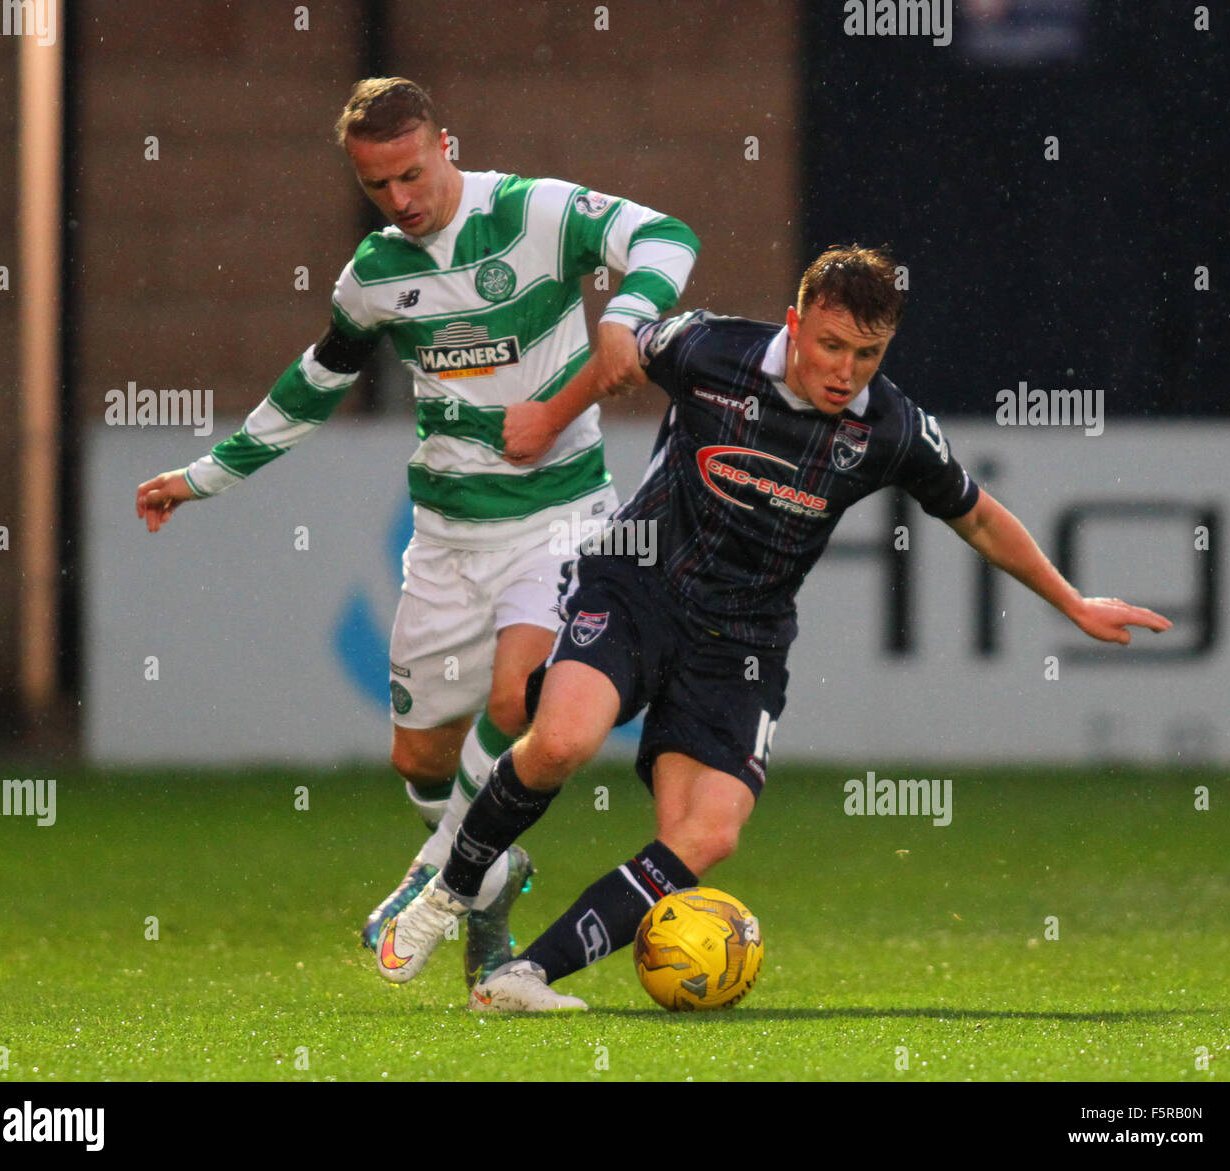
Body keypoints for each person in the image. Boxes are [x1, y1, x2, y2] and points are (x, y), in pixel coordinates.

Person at [375, 243, 1173, 1011]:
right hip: (638, 583)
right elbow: (621, 351)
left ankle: (518, 976)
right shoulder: (710, 349)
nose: (846, 371)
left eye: (868, 354)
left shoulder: (890, 428)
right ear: (794, 324)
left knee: (709, 833)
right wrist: (551, 414)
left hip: (744, 639)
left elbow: (979, 517)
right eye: (830, 346)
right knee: (560, 740)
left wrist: (1071, 601)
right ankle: (450, 891)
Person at [133, 77, 699, 986]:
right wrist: (204, 476)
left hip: (559, 518)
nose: (399, 199)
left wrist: (627, 316)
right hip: (444, 536)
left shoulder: (532, 212)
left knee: (519, 701)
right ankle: (493, 874)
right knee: (419, 756)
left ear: (447, 143)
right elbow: (319, 378)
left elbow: (668, 237)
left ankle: (437, 873)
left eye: (410, 174)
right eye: (376, 187)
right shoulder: (375, 276)